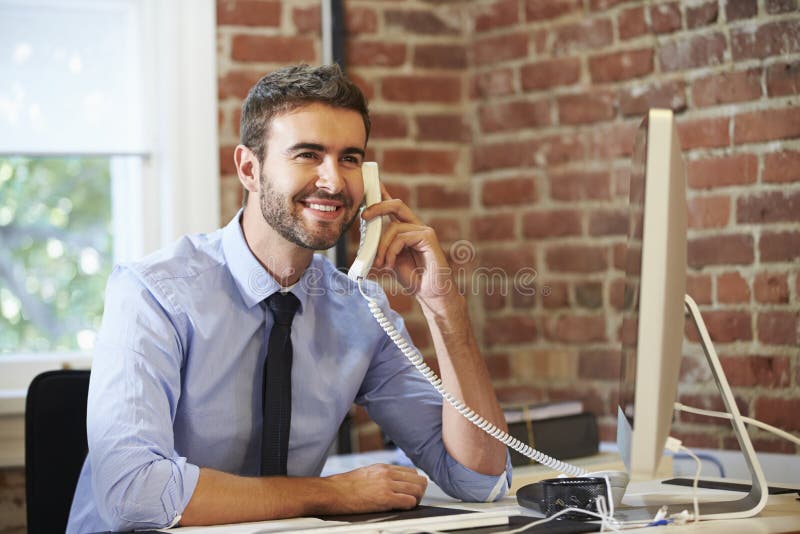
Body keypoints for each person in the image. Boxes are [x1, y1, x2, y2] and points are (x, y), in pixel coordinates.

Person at [67, 63, 510, 533]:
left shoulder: (360, 312)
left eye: (350, 159)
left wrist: (444, 307)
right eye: (307, 154)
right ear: (249, 169)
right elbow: (135, 496)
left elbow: (477, 479)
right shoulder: (152, 293)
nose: (334, 182)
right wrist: (331, 494)